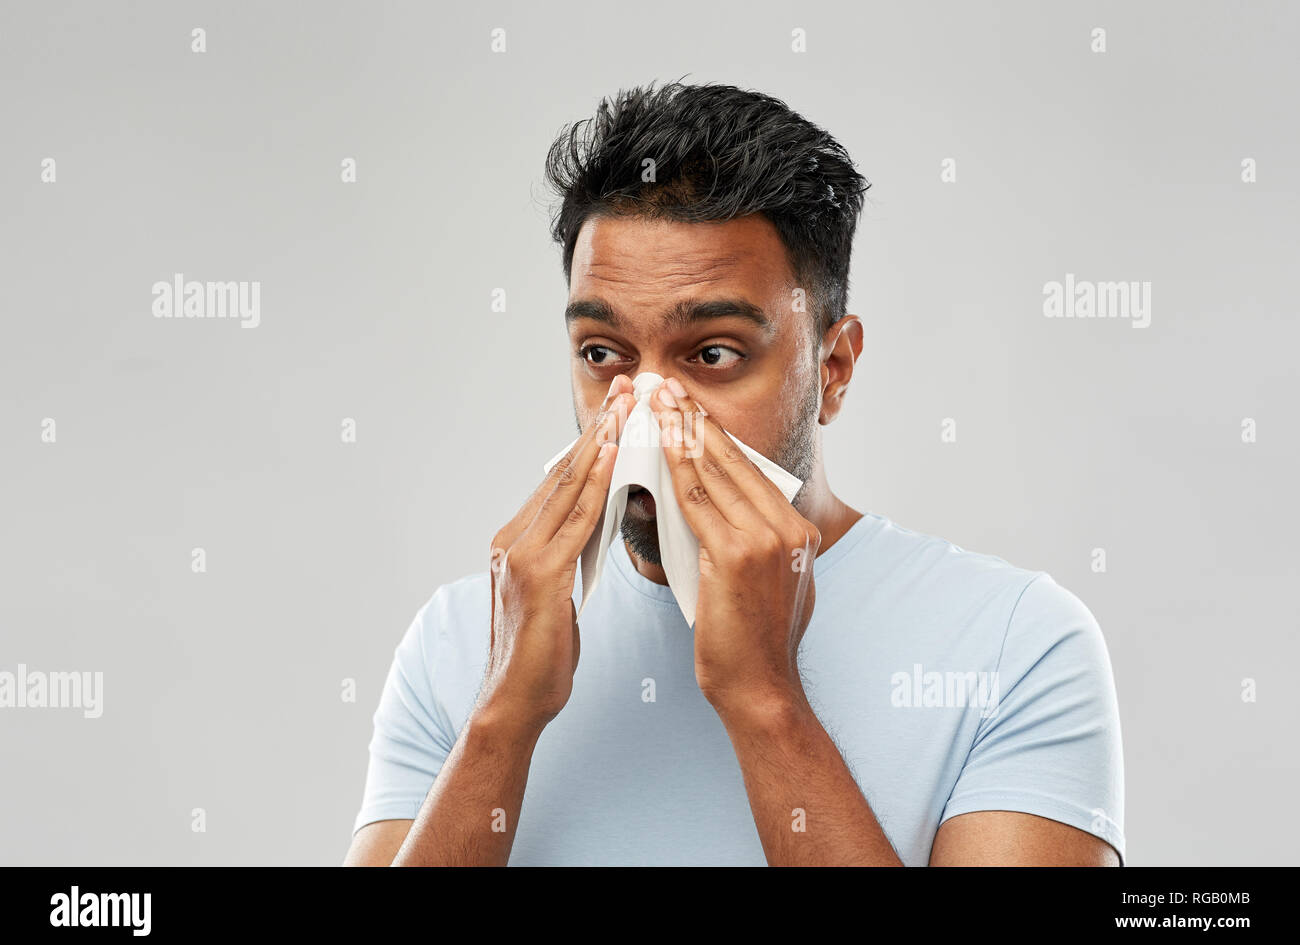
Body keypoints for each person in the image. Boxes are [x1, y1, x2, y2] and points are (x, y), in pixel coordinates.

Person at [343, 81, 1125, 866]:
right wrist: (503, 716)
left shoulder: (1012, 642)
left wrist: (766, 701)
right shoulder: (457, 644)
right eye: (602, 356)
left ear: (835, 368)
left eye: (712, 354)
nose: (645, 413)